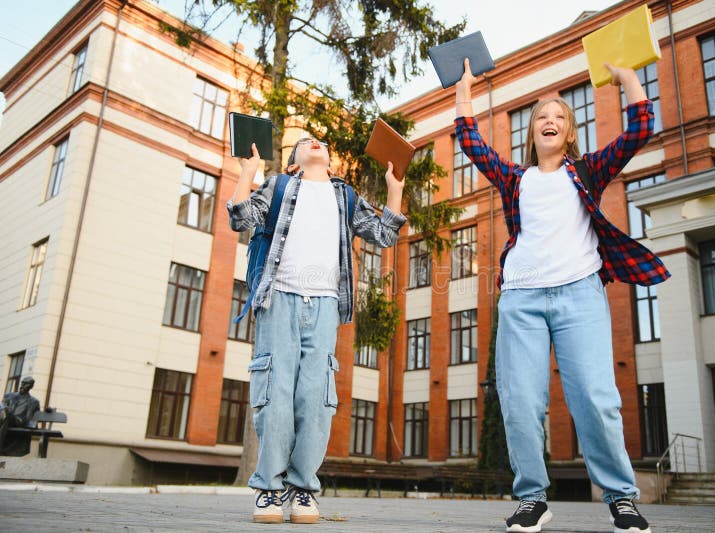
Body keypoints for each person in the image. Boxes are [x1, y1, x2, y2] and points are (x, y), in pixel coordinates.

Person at [454, 58, 669, 533]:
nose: (549, 121)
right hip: (521, 299)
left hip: (579, 294)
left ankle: (621, 498)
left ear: (570, 132)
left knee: (595, 397)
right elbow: (470, 141)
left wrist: (628, 79)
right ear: (531, 134)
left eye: (560, 117)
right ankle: (532, 497)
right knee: (520, 400)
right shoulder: (516, 179)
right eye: (540, 118)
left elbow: (639, 130)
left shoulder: (588, 171)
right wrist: (464, 89)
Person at [228, 137, 406, 524]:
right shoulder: (278, 186)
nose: (315, 142)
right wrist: (247, 173)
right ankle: (269, 490)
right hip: (279, 299)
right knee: (275, 395)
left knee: (316, 399)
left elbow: (384, 234)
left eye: (322, 142)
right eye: (305, 142)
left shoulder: (345, 195)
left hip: (325, 306)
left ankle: (303, 490)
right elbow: (240, 218)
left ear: (330, 161)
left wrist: (395, 191)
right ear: (294, 161)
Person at [0, 376, 42, 456]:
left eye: (26, 384)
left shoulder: (34, 401)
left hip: (19, 422)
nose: (23, 385)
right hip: (5, 419)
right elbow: (2, 406)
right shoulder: (9, 395)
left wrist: (48, 411)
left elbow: (36, 415)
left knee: (6, 413)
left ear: (31, 386)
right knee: (4, 412)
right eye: (22, 383)